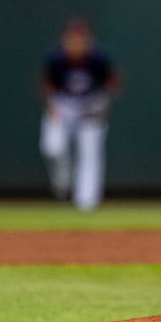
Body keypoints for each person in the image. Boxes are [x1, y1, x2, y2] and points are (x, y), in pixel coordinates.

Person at [38, 17, 121, 211]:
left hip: (90, 105)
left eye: (81, 38)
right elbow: (48, 85)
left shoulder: (98, 59)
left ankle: (86, 202)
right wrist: (52, 106)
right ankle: (63, 181)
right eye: (72, 38)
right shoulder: (57, 59)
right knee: (52, 148)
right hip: (64, 104)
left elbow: (113, 82)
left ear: (88, 40)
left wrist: (103, 103)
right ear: (65, 39)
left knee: (90, 151)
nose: (76, 43)